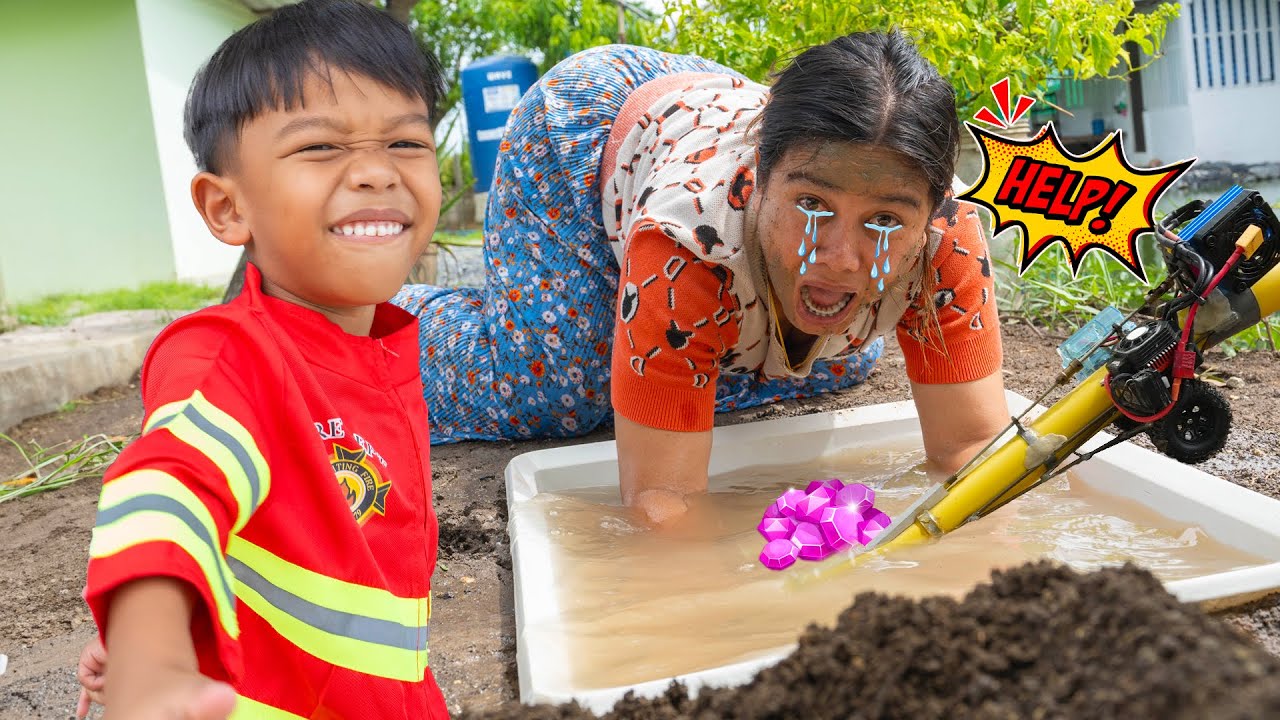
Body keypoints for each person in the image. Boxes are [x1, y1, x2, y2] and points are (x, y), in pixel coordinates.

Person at [395, 33, 1009, 523]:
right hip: (582, 135)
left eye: (882, 221)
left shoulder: (945, 244)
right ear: (760, 179)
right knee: (559, 390)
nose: (841, 257)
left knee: (837, 354)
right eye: (812, 207)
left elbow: (971, 454)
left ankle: (659, 347)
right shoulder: (690, 245)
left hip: (696, 118)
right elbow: (664, 502)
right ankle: (396, 312)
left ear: (929, 215)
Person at [76, 1, 449, 718]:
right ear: (226, 209)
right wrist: (152, 664)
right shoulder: (230, 354)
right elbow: (169, 486)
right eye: (319, 148)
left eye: (405, 143)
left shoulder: (379, 347)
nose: (375, 173)